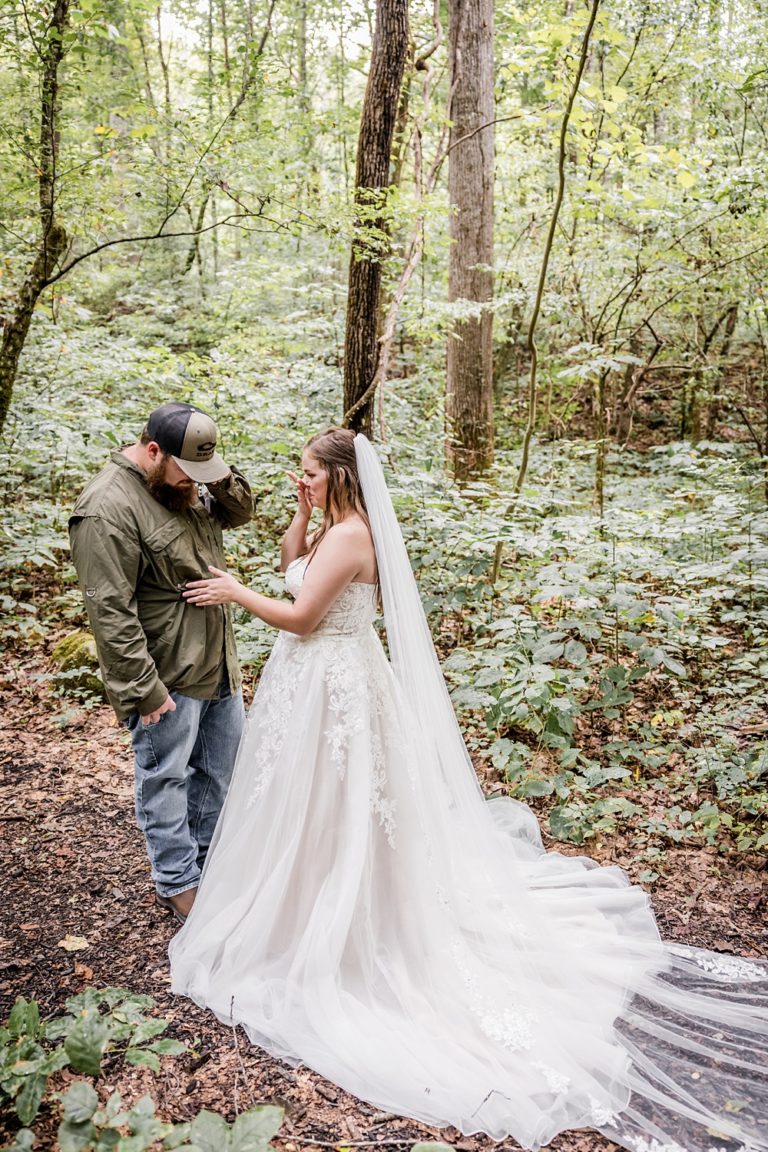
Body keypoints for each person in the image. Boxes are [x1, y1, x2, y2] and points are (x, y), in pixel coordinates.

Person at [169, 427, 767, 1152]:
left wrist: (235, 592)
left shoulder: (354, 536)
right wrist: (300, 514)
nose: (304, 482)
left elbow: (300, 615)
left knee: (338, 808)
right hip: (309, 686)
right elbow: (292, 567)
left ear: (343, 477)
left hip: (337, 689)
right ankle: (298, 903)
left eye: (311, 475)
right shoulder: (331, 525)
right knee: (304, 808)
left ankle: (346, 925)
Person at [69, 402, 254, 924]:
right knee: (166, 776)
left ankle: (208, 864)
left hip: (216, 657)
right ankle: (177, 882)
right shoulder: (107, 507)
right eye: (186, 470)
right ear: (153, 451)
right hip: (166, 669)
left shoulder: (184, 480)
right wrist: (141, 688)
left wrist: (215, 478)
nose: (194, 481)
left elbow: (240, 512)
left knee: (220, 771)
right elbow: (109, 610)